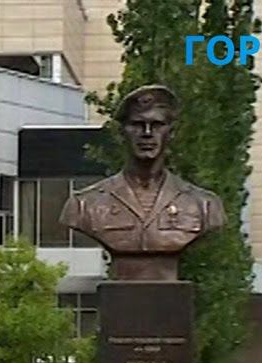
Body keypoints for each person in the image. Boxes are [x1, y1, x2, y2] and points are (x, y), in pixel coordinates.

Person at [59, 84, 226, 281]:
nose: (147, 133)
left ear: (171, 133)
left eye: (157, 125)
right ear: (122, 132)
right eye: (137, 124)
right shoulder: (84, 205)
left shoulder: (205, 205)